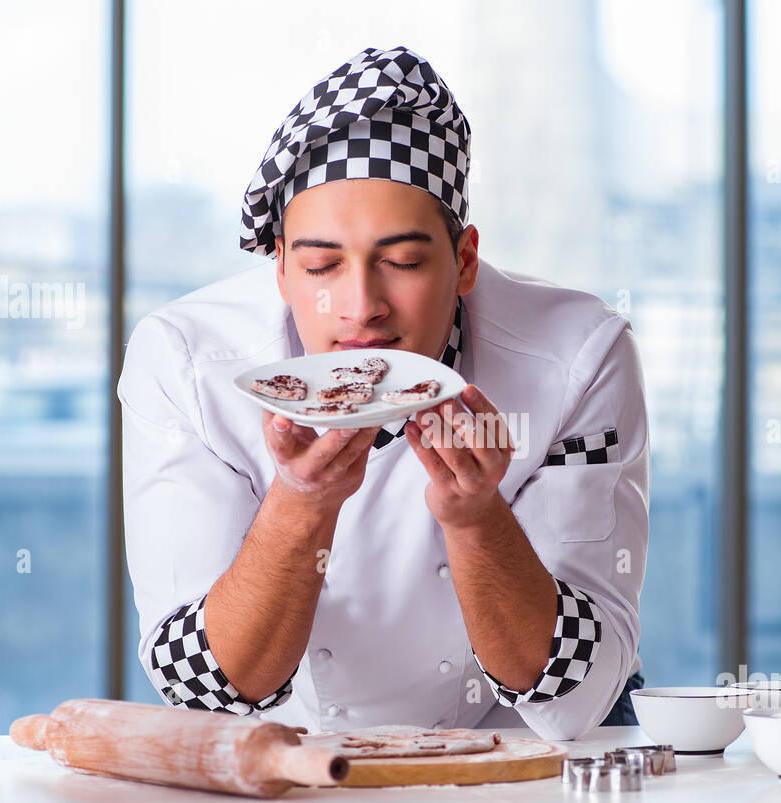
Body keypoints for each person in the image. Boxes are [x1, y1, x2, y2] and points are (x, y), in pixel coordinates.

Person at [118, 46, 650, 740]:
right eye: (320, 265)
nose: (361, 305)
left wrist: (475, 517)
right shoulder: (187, 362)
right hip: (288, 765)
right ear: (279, 268)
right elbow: (204, 693)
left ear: (464, 261)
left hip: (512, 768)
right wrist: (301, 503)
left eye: (401, 262)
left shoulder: (578, 355)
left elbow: (581, 696)